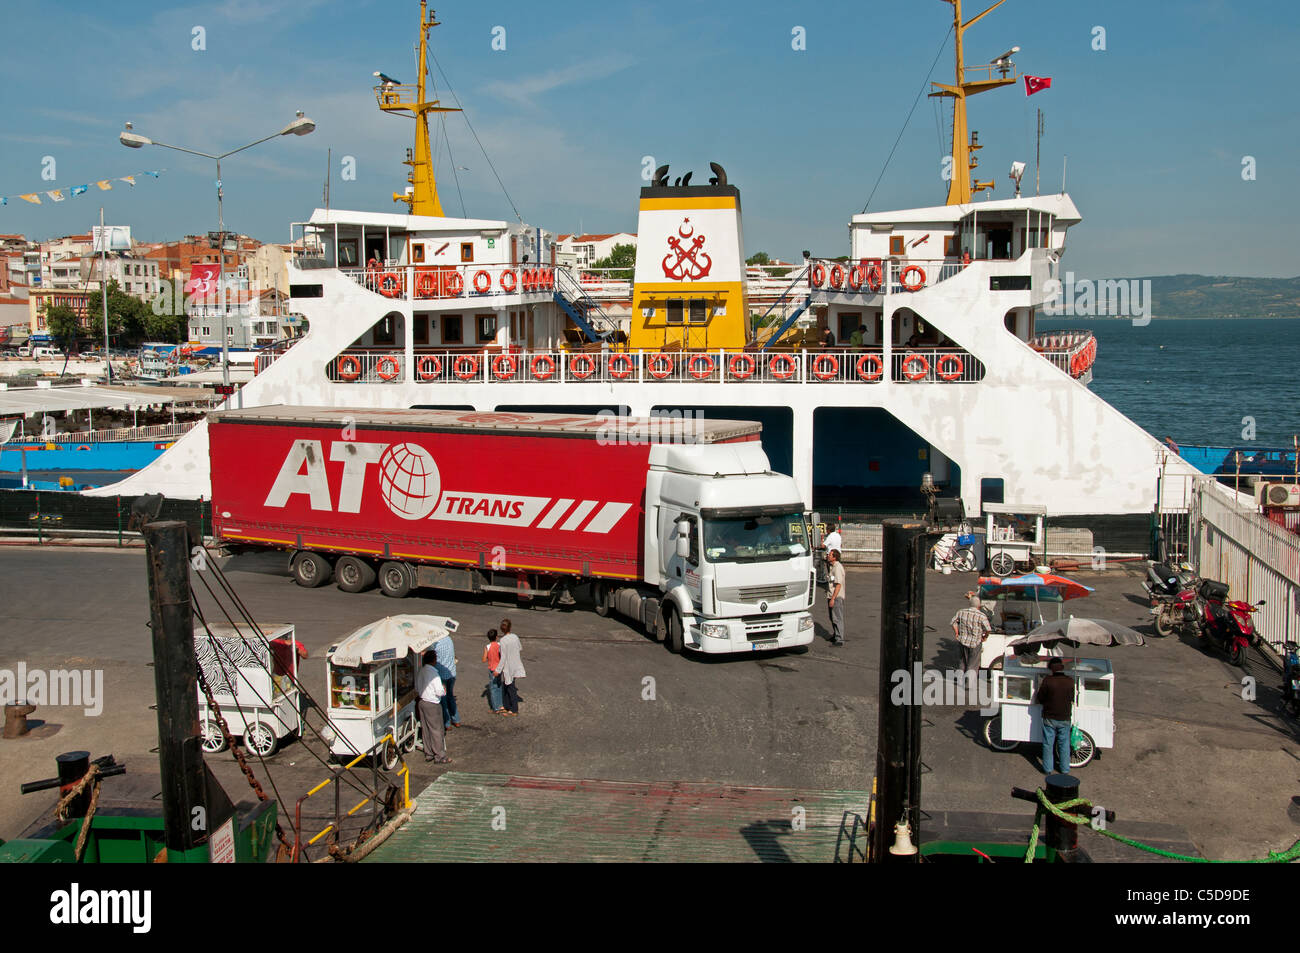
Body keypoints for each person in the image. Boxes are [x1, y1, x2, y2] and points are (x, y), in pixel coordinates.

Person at [1034, 658, 1074, 775]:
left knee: (1048, 744)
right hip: (1065, 717)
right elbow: (1072, 697)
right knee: (1064, 744)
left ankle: (1047, 769)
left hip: (1049, 717)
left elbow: (1040, 698)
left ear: (1051, 669)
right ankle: (1065, 769)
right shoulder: (1070, 681)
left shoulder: (1048, 681)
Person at [416, 650, 451, 764]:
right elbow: (439, 692)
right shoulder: (434, 674)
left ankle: (429, 753)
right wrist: (444, 688)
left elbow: (417, 687)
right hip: (432, 704)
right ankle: (440, 755)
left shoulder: (421, 671)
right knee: (436, 730)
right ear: (434, 660)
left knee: (425, 729)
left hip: (422, 702)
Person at [951, 595, 991, 673]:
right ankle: (969, 682)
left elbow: (953, 622)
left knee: (962, 662)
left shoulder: (961, 612)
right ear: (979, 605)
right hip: (975, 643)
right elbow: (988, 629)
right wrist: (985, 636)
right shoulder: (982, 616)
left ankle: (960, 679)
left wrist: (956, 632)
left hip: (962, 640)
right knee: (973, 664)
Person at [495, 619, 526, 716]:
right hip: (516, 664)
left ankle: (514, 709)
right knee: (508, 685)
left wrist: (498, 670)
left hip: (508, 666)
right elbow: (520, 648)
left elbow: (503, 657)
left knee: (510, 687)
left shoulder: (503, 640)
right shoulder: (515, 637)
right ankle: (507, 705)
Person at [434, 632, 460, 730]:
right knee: (450, 696)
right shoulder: (449, 639)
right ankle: (456, 719)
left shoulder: (435, 643)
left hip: (442, 675)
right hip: (452, 673)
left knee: (443, 699)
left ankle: (447, 723)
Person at [826, 549, 846, 646]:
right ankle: (836, 635)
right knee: (832, 617)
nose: (828, 556)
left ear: (834, 557)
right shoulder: (832, 567)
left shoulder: (837, 567)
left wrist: (833, 598)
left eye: (830, 555)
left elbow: (838, 585)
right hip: (831, 596)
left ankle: (839, 639)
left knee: (837, 618)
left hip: (836, 597)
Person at [482, 628, 504, 713]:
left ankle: (496, 708)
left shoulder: (487, 647)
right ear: (496, 637)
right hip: (499, 668)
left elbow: (484, 659)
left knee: (493, 688)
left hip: (492, 669)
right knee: (499, 686)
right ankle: (501, 705)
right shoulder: (499, 645)